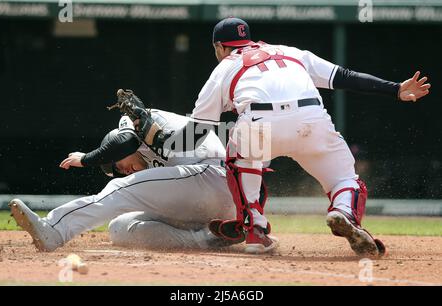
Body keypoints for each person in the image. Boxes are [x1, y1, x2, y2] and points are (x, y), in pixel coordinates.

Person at [183, 17, 431, 256]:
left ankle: (254, 228)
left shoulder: (224, 68)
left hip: (259, 122)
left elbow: (197, 132)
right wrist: (395, 89)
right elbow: (344, 76)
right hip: (311, 118)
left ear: (219, 46)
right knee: (344, 178)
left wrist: (164, 146)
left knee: (242, 158)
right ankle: (344, 211)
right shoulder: (292, 52)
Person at [9, 101, 240, 252]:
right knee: (121, 227)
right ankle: (208, 239)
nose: (123, 170)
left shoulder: (139, 121)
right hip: (211, 207)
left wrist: (86, 158)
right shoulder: (153, 165)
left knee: (120, 188)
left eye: (117, 164)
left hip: (214, 175)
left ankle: (54, 230)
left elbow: (125, 142)